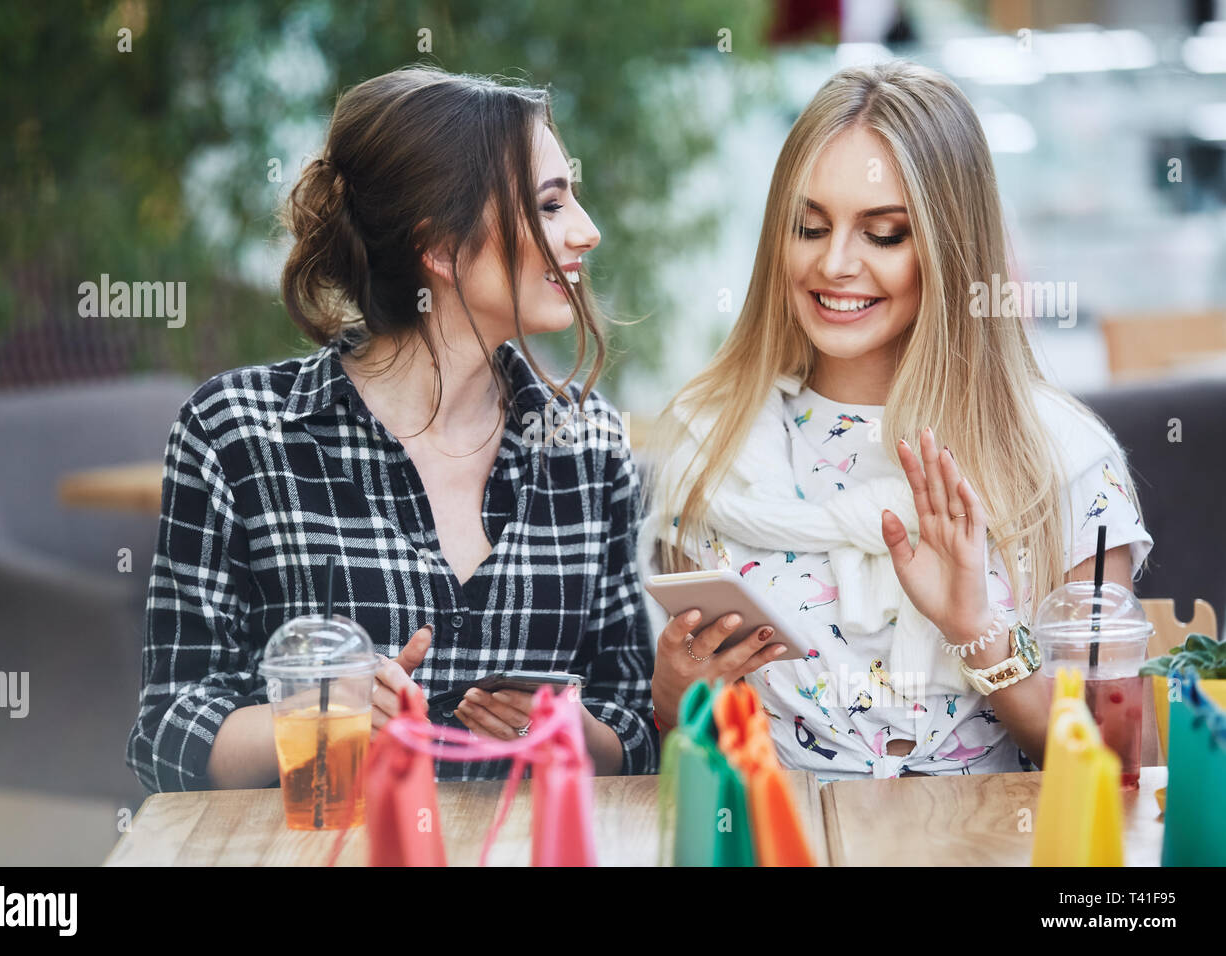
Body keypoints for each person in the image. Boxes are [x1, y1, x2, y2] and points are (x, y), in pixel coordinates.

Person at [127, 66, 657, 792]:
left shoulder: (590, 444)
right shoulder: (235, 433)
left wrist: (568, 731)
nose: (587, 233)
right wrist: (315, 720)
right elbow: (168, 729)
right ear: (438, 251)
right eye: (551, 205)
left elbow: (632, 728)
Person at [640, 61, 1152, 780]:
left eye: (883, 234)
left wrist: (975, 630)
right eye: (809, 226)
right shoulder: (711, 444)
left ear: (951, 248)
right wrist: (674, 699)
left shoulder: (1063, 463)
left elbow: (1121, 772)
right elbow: (684, 768)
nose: (835, 263)